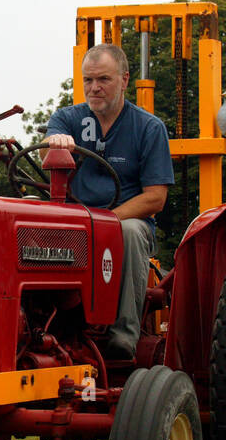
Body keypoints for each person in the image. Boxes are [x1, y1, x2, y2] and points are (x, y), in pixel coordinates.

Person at [44, 43, 175, 360]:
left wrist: (105, 222)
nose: (94, 88)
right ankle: (45, 329)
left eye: (103, 79)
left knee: (128, 232)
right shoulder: (68, 119)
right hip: (76, 219)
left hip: (125, 222)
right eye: (88, 80)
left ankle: (122, 338)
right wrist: (57, 142)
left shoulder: (148, 128)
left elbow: (155, 198)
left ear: (125, 80)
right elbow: (50, 140)